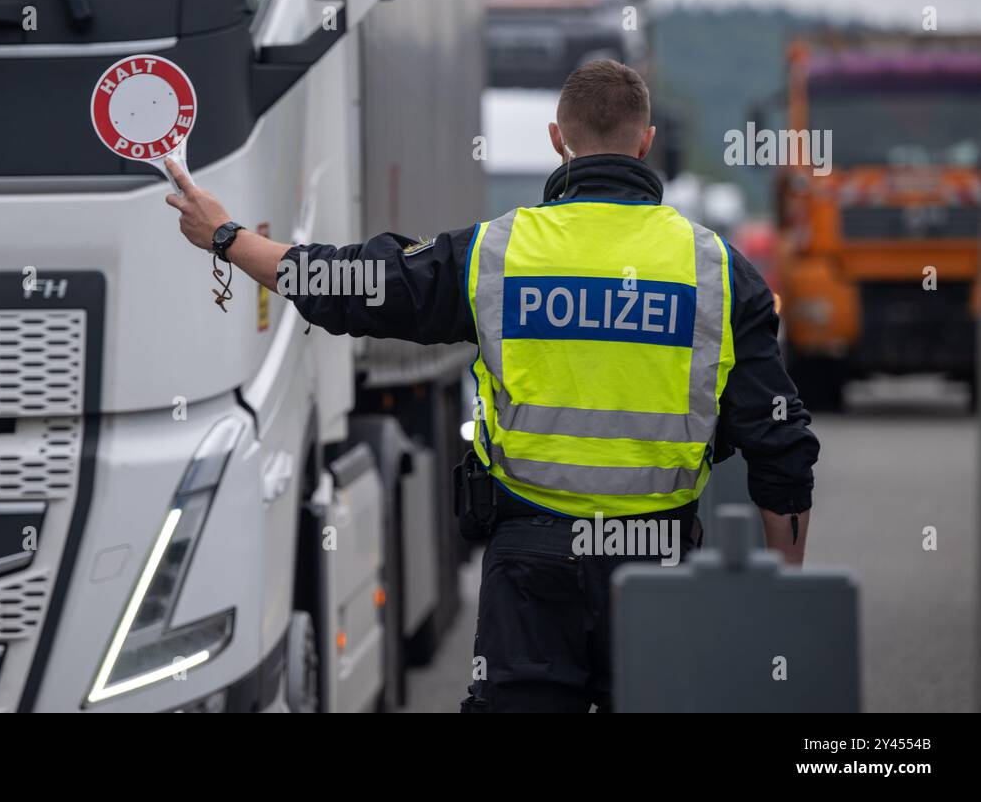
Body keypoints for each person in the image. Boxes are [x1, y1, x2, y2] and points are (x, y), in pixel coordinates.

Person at [164, 59, 819, 713]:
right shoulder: (718, 270)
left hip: (529, 567)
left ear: (558, 139)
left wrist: (227, 237)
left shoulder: (494, 255)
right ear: (646, 141)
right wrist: (784, 593)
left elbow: (350, 284)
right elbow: (781, 443)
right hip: (657, 565)